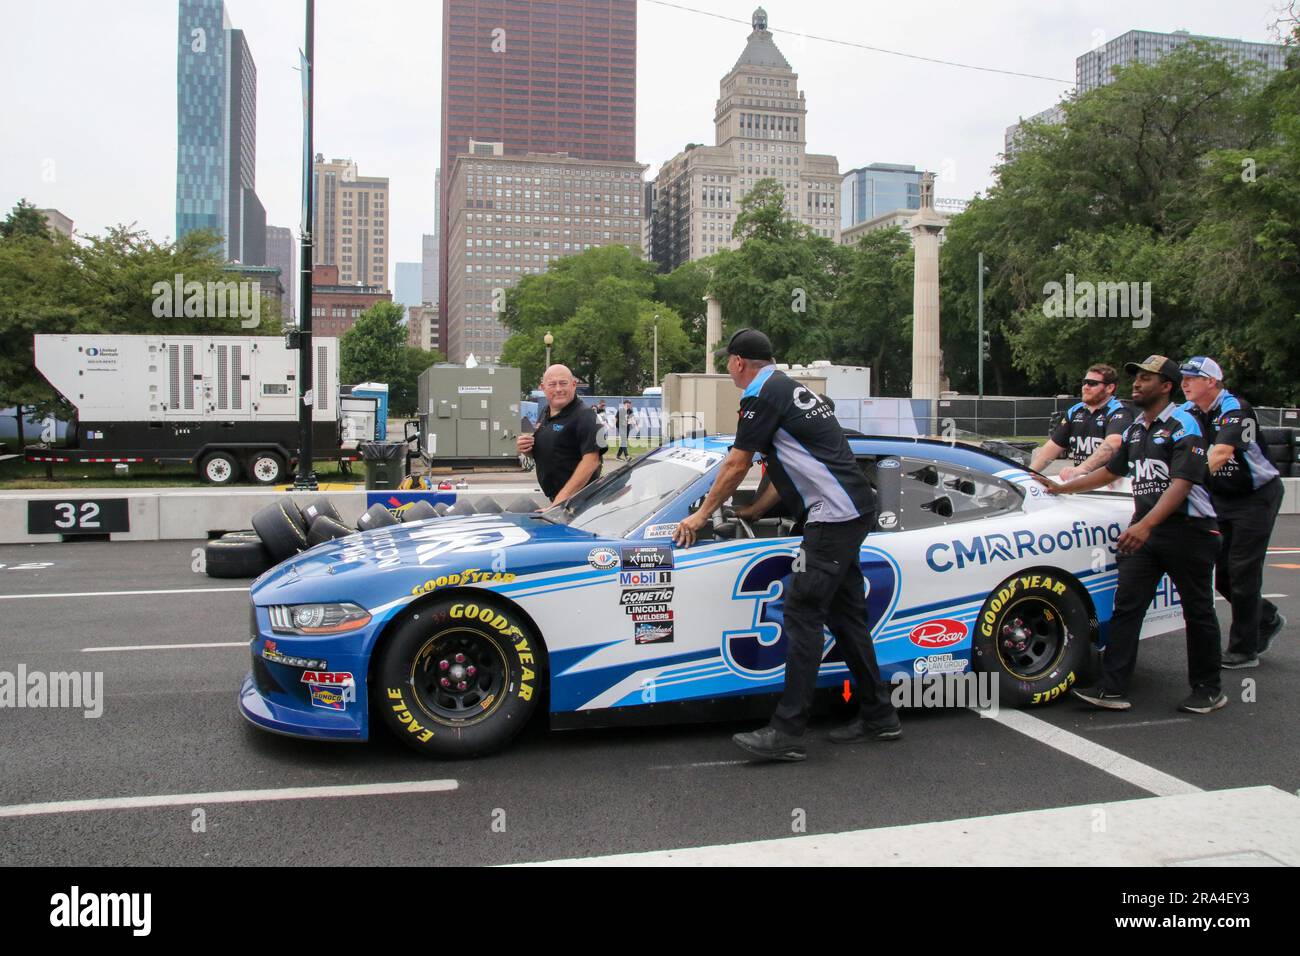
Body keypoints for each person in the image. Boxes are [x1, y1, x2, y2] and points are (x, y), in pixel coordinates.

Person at [673, 328, 898, 761]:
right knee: (847, 615)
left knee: (801, 610)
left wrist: (701, 515)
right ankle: (879, 716)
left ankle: (789, 731)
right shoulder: (789, 389)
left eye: (728, 362)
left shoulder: (761, 395)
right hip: (852, 509)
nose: (727, 368)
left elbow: (738, 462)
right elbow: (787, 462)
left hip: (834, 517)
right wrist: (754, 512)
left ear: (738, 363)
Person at [1040, 355, 1225, 714]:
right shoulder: (1136, 428)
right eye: (1136, 377)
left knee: (1198, 610)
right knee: (1127, 608)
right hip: (1146, 531)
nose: (1136, 383)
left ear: (1166, 386)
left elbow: (1183, 484)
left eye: (1146, 378)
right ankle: (1112, 688)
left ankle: (1208, 689)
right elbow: (1111, 471)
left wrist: (1145, 525)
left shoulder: (1184, 425)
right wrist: (1065, 488)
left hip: (1190, 531)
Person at [1180, 356, 1285, 668]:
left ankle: (1244, 649)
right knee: (1220, 572)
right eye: (1183, 377)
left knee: (1243, 569)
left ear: (1212, 381)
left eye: (1192, 377)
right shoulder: (1187, 412)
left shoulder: (1237, 409)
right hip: (1222, 497)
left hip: (1256, 496)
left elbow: (1222, 454)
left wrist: (1185, 480)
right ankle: (1264, 617)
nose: (1184, 383)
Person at [516, 364, 603, 503]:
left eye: (563, 383)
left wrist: (560, 501)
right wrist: (526, 450)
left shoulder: (587, 416)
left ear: (574, 385)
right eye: (552, 384)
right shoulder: (545, 412)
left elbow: (592, 461)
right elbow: (553, 452)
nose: (558, 389)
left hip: (581, 503)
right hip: (558, 501)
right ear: (543, 388)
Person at [1030, 363, 1132, 480]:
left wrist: (1082, 469)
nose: (1086, 387)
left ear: (1110, 388)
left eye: (1092, 383)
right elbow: (1052, 448)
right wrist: (1027, 474)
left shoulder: (1120, 410)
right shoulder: (1074, 411)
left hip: (1113, 485)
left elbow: (1113, 443)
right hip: (1082, 482)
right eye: (1085, 382)